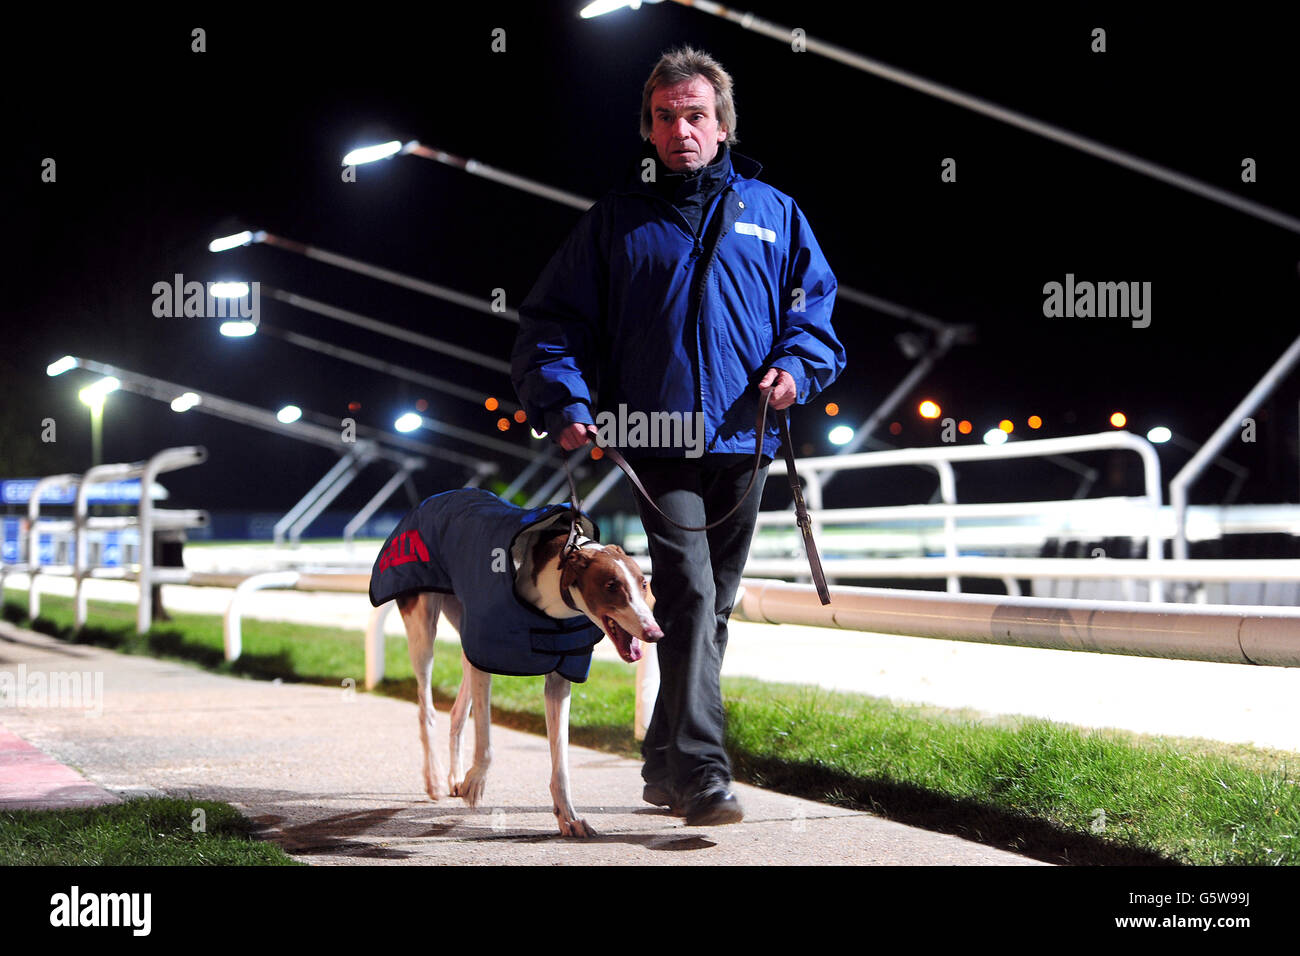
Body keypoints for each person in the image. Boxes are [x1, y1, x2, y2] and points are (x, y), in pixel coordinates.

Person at [511, 46, 845, 826]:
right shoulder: (616, 221)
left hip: (745, 439)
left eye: (695, 115)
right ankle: (701, 773)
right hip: (653, 440)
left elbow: (815, 315)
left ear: (722, 125)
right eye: (665, 117)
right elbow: (549, 322)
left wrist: (797, 366)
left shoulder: (776, 214)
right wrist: (565, 402)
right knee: (690, 590)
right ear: (649, 130)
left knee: (712, 606)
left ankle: (662, 762)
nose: (680, 130)